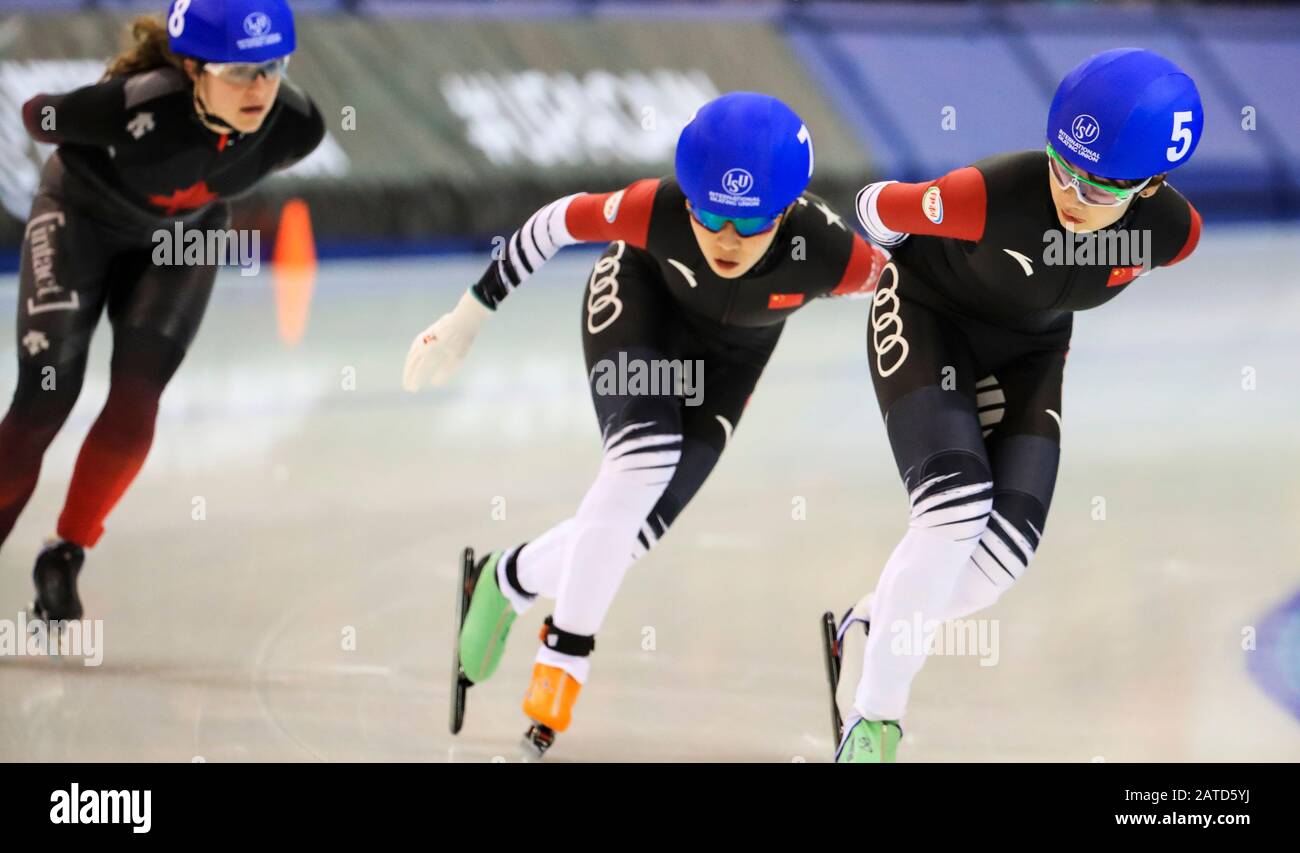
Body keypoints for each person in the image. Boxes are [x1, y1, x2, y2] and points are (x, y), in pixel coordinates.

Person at [403, 92, 888, 755]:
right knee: (643, 458)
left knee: (635, 530)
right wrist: (470, 314)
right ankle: (564, 658)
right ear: (690, 197)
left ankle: (509, 576)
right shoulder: (654, 211)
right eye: (712, 214)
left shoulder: (832, 255)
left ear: (785, 214)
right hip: (640, 309)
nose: (727, 238)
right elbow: (553, 222)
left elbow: (913, 287)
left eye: (750, 225)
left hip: (732, 359)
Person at [831, 48, 1203, 762]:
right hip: (928, 313)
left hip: (1031, 353)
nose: (1070, 193)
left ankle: (873, 625)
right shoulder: (988, 195)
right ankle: (875, 724)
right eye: (1062, 166)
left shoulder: (1171, 234)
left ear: (1150, 185)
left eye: (1097, 190)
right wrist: (878, 260)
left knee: (999, 560)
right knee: (954, 507)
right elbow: (873, 206)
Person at [0, 0, 324, 620]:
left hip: (185, 235)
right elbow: (36, 114)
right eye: (237, 72)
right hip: (81, 218)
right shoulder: (137, 105)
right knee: (45, 399)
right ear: (192, 69)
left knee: (137, 397)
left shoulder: (295, 125)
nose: (259, 88)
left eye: (273, 66)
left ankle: (65, 553)